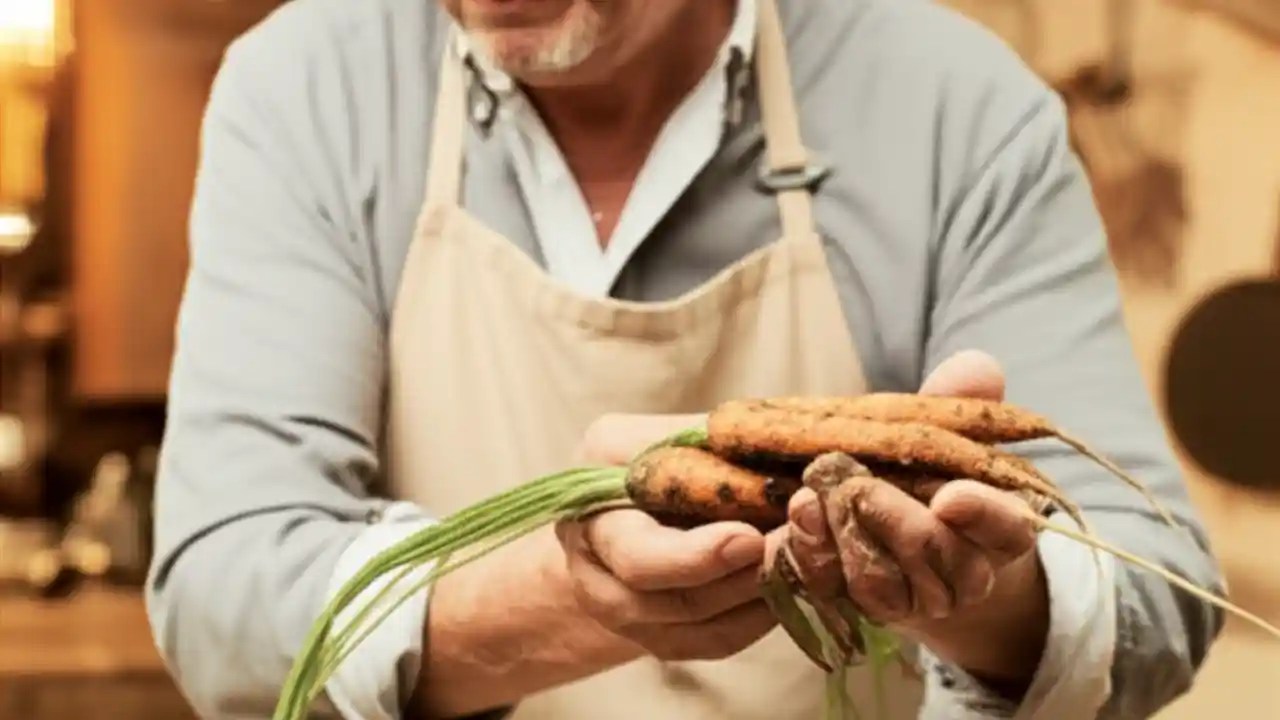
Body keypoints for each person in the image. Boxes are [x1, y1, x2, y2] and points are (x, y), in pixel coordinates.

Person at [145, 0, 1225, 718]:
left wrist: (974, 593)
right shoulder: (302, 89)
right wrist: (560, 603)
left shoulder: (956, 103)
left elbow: (1152, 587)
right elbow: (224, 597)